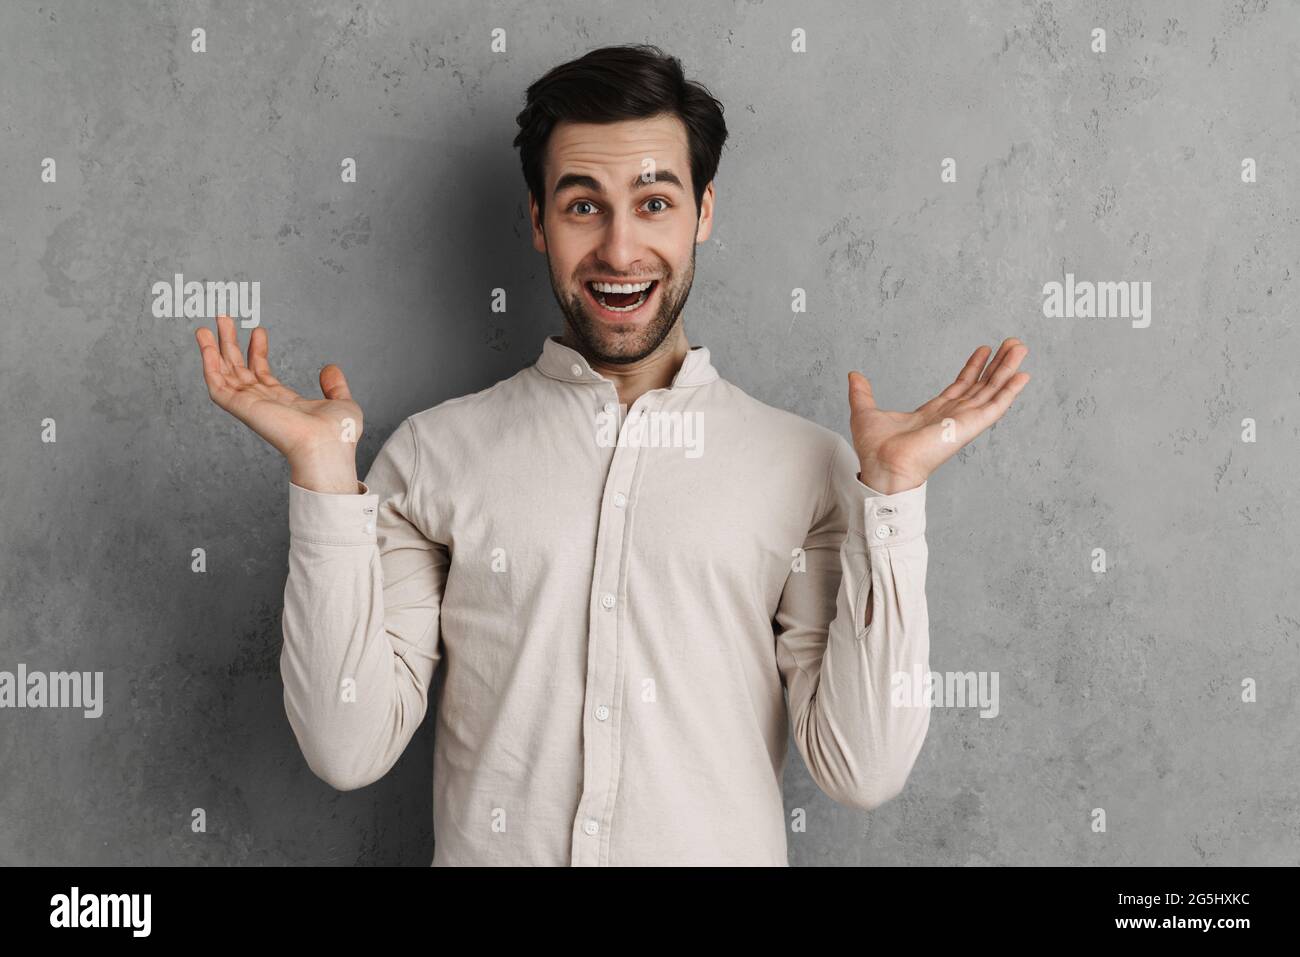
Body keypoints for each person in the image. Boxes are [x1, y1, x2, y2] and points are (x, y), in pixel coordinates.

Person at [195, 44, 1030, 866]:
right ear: (537, 222)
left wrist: (891, 495)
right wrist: (322, 475)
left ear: (704, 211)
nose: (621, 251)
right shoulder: (432, 455)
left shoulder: (805, 467)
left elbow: (863, 767)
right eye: (583, 205)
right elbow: (348, 748)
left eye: (655, 202)